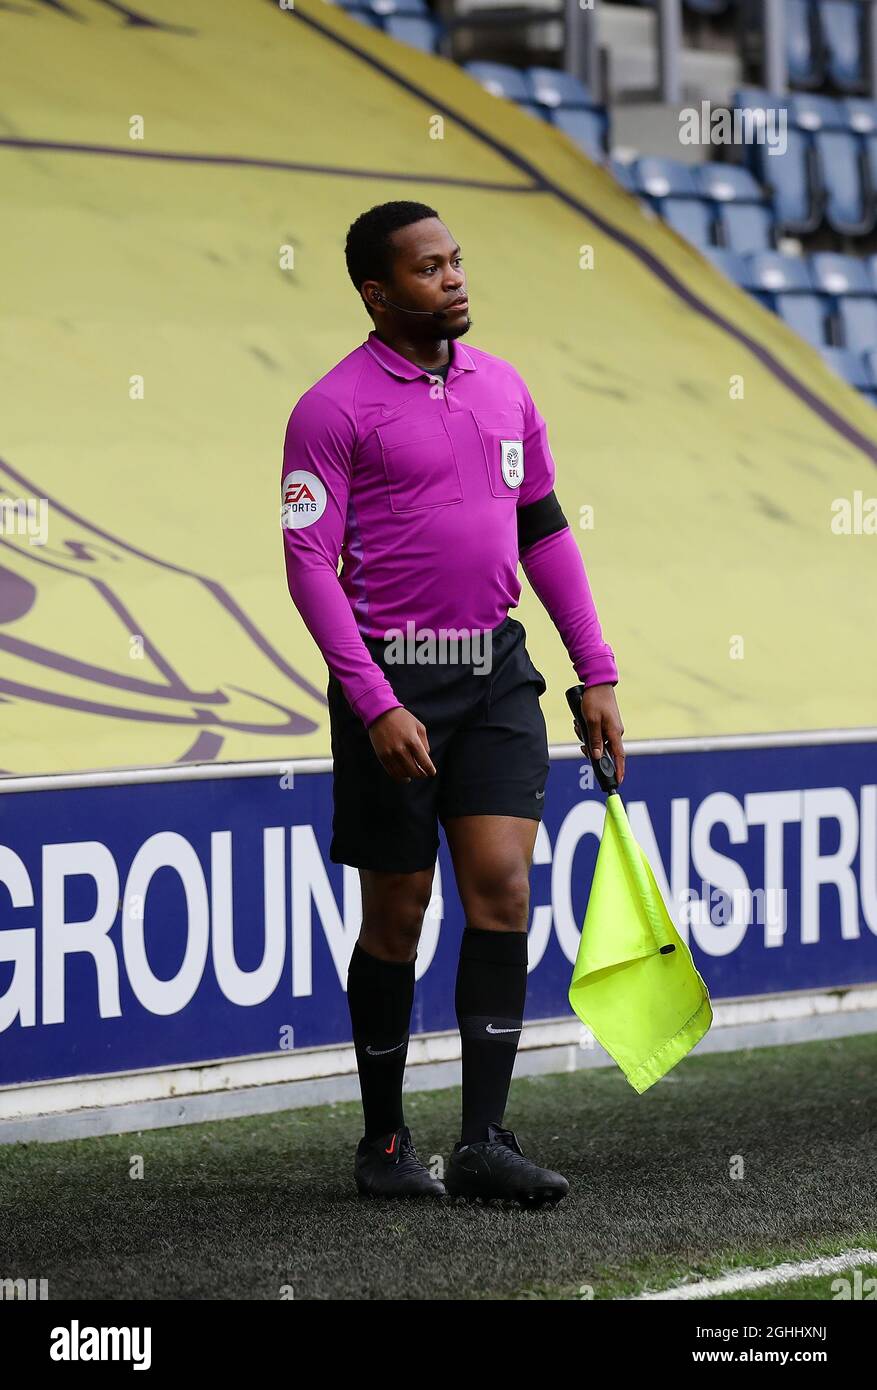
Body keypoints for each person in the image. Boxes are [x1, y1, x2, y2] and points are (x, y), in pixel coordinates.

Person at [280, 200, 625, 1206]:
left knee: (502, 888)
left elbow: (547, 533)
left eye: (458, 261)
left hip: (496, 672)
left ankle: (482, 1141)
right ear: (376, 293)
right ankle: (385, 1142)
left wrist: (594, 670)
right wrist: (374, 700)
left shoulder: (506, 389)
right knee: (397, 912)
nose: (455, 279)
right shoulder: (330, 409)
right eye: (430, 269)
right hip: (394, 679)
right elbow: (306, 565)